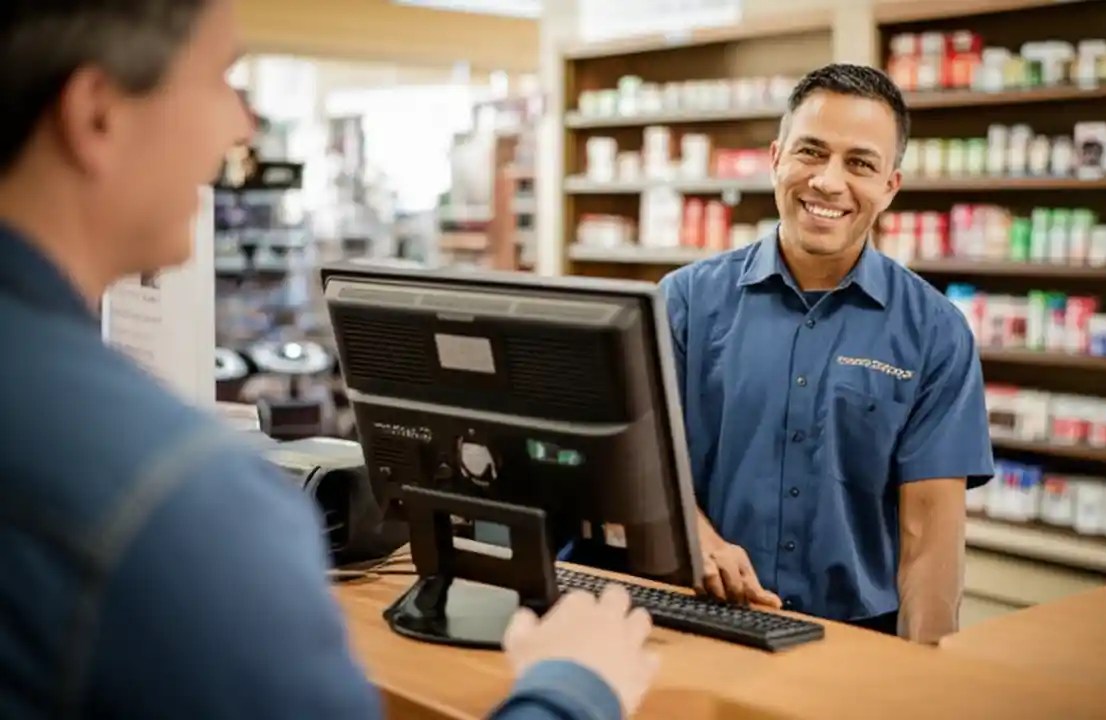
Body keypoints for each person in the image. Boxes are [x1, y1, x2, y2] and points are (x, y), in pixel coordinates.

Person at [0, 2, 656, 719]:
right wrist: (570, 688)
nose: (241, 125)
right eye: (221, 78)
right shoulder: (178, 501)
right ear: (98, 115)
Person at [659, 64, 994, 644]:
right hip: (699, 620)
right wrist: (698, 537)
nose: (828, 182)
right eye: (810, 152)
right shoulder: (686, 302)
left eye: (859, 163)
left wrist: (925, 679)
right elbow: (637, 469)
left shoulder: (934, 332)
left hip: (854, 642)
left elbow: (930, 541)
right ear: (775, 159)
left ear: (890, 186)